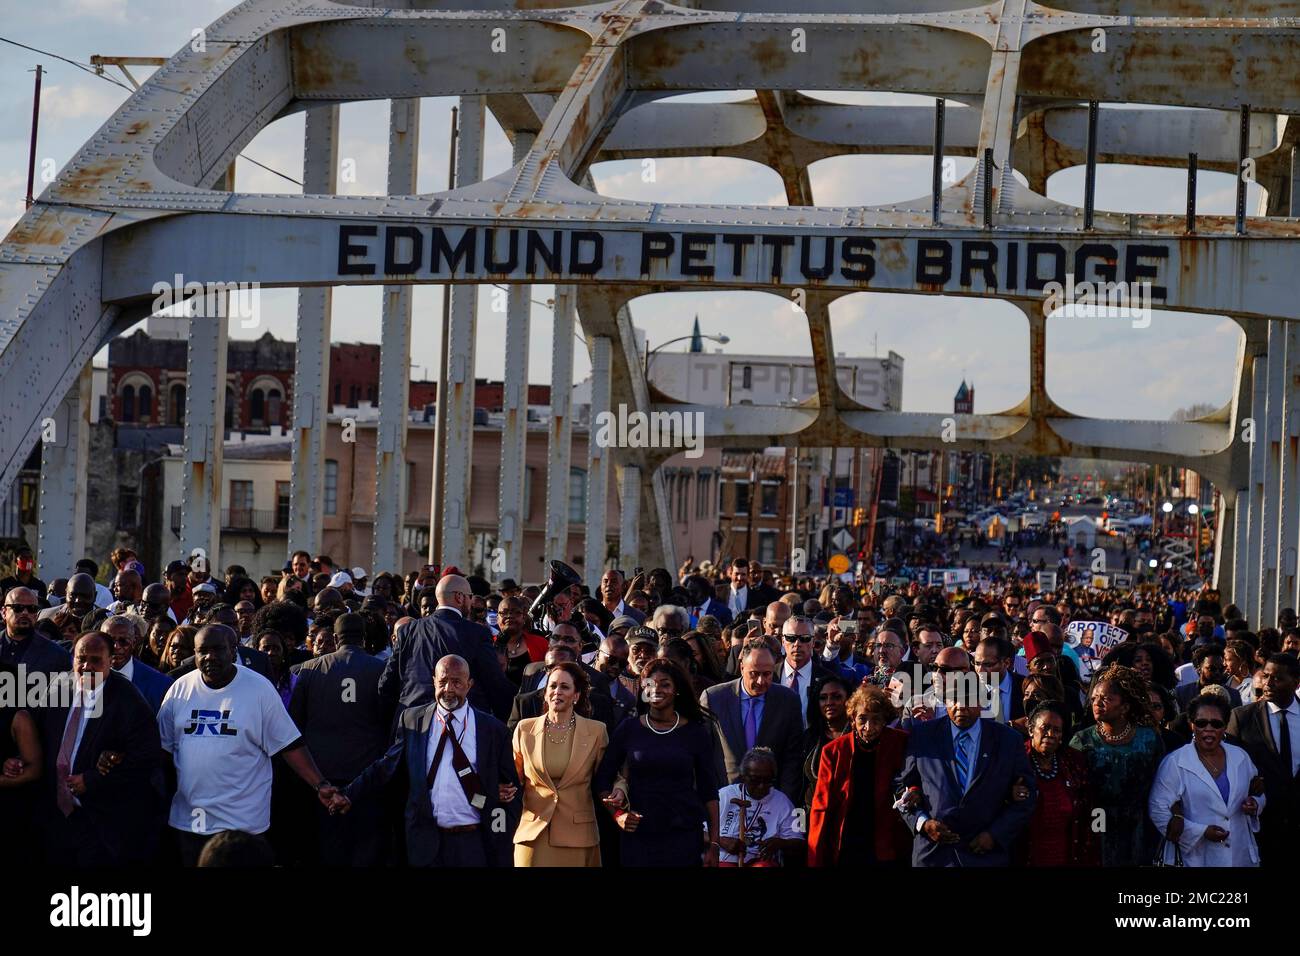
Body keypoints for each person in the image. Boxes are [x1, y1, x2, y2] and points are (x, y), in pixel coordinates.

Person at [158, 625, 343, 865]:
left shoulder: (259, 689)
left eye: (218, 650)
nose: (210, 657)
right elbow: (162, 750)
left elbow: (289, 744)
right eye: (202, 651)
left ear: (233, 650)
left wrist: (320, 785)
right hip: (190, 823)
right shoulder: (179, 690)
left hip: (243, 826)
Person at [343, 655, 522, 867]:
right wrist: (348, 793)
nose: (449, 689)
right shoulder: (412, 721)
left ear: (469, 685)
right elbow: (386, 766)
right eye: (443, 681)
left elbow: (510, 792)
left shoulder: (493, 730)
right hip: (426, 842)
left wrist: (500, 841)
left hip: (474, 843)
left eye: (456, 682)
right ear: (434, 681)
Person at [35, 633, 163, 866]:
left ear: (110, 660)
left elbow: (146, 757)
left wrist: (93, 780)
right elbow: (38, 732)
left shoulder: (128, 700)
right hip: (54, 817)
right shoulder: (59, 686)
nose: (87, 666)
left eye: (96, 660)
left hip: (101, 822)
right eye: (81, 658)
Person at [894, 671, 1037, 867]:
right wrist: (923, 823)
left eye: (968, 699)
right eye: (954, 699)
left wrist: (995, 834)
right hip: (934, 856)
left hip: (985, 855)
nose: (960, 706)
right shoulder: (922, 736)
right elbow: (902, 787)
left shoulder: (1007, 740)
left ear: (982, 702)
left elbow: (1026, 796)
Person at [596, 659, 722, 867]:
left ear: (677, 690)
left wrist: (714, 844)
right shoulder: (629, 728)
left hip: (683, 836)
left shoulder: (695, 732)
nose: (657, 689)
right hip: (639, 835)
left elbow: (709, 791)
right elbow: (602, 780)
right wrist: (618, 815)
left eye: (665, 684)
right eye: (650, 684)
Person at [288, 613, 391, 866]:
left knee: (327, 850)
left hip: (321, 779)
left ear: (335, 639)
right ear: (364, 639)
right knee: (364, 851)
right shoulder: (381, 670)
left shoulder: (308, 671)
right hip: (366, 777)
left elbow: (294, 727)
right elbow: (389, 723)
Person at [512, 661, 608, 867]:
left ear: (576, 695)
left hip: (578, 836)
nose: (557, 691)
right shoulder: (524, 729)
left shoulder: (596, 732)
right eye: (552, 686)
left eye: (565, 687)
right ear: (545, 692)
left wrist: (619, 791)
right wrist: (502, 787)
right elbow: (513, 777)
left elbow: (608, 777)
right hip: (533, 835)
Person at [1149, 694, 1264, 866]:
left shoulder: (1240, 756)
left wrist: (1254, 804)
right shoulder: (1175, 762)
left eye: (1216, 724)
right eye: (1201, 723)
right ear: (1191, 725)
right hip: (1195, 858)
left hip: (1239, 855)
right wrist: (1200, 832)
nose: (1208, 729)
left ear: (1225, 726)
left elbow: (1258, 791)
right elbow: (1158, 809)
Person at [380, 574, 515, 719]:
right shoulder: (477, 634)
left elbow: (387, 684)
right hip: (458, 724)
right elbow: (494, 683)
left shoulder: (408, 630)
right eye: (469, 596)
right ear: (459, 597)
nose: (470, 602)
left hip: (413, 723)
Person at [1069, 664, 1165, 866]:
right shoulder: (1082, 740)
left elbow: (1163, 782)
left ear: (1125, 706)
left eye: (1106, 699)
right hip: (1098, 815)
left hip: (1138, 818)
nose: (1097, 703)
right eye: (1094, 698)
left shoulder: (1148, 738)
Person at [807, 684, 911, 867]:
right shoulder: (833, 751)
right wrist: (816, 858)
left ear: (885, 720)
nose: (869, 727)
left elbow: (912, 780)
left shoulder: (900, 742)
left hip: (888, 841)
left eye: (876, 720)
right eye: (862, 719)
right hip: (847, 840)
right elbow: (821, 807)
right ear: (852, 718)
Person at [701, 641, 805, 800]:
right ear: (742, 667)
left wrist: (785, 801)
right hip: (725, 799)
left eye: (767, 674)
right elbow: (703, 755)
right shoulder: (714, 698)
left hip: (771, 800)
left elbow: (792, 759)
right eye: (754, 673)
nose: (761, 681)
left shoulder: (788, 701)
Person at [1226, 652, 1300, 866]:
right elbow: (1231, 767)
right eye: (1266, 676)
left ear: (1296, 682)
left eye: (1277, 678)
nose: (1268, 683)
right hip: (1261, 824)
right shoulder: (1242, 717)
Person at [1016, 702, 1096, 866]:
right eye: (1044, 728)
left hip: (1067, 854)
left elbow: (1090, 810)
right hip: (1025, 854)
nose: (1050, 734)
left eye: (1057, 730)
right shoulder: (1016, 760)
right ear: (1031, 730)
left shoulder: (1074, 763)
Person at [717, 747, 805, 866]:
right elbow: (700, 832)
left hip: (761, 860)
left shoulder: (783, 802)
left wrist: (781, 843)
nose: (761, 786)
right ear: (743, 777)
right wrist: (721, 840)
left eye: (768, 780)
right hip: (726, 859)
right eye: (755, 780)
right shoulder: (724, 795)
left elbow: (800, 843)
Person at [102, 615, 172, 714]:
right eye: (110, 641)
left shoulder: (160, 684)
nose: (116, 646)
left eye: (123, 641)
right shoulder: (88, 677)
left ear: (134, 642)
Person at [800, 675, 851, 807]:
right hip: (812, 814)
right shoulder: (810, 737)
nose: (829, 702)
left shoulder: (858, 736)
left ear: (849, 700)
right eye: (823, 698)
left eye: (837, 697)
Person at [2, 587, 70, 673]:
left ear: (36, 614)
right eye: (18, 608)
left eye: (32, 609)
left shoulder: (58, 656)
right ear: (4, 612)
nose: (25, 613)